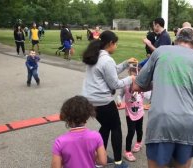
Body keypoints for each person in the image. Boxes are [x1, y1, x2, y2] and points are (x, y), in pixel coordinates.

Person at [132, 27, 193, 168]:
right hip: (188, 123)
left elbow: (137, 86)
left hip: (160, 121)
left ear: (176, 40)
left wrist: (157, 82)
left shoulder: (160, 52)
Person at [81, 30, 138, 168]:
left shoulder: (96, 55)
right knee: (116, 127)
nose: (116, 47)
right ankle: (118, 162)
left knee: (106, 126)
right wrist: (131, 78)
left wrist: (125, 63)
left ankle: (100, 159)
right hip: (102, 101)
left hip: (89, 100)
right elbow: (115, 83)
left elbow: (110, 72)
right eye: (116, 44)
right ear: (111, 43)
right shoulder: (106, 59)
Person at [51, 95, 107, 168]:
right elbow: (103, 161)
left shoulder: (59, 142)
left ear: (67, 117)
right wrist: (93, 156)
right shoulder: (96, 136)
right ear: (87, 115)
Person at [116, 64, 144, 162]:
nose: (135, 77)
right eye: (133, 74)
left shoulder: (142, 85)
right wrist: (119, 100)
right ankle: (127, 151)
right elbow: (119, 95)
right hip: (129, 112)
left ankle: (139, 142)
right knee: (131, 131)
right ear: (129, 74)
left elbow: (150, 94)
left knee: (139, 130)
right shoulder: (126, 85)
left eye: (137, 74)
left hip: (140, 112)